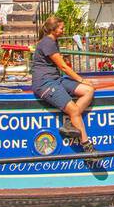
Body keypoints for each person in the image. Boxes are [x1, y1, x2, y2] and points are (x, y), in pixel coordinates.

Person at [31, 16, 95, 152]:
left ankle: (71, 123)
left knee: (88, 90)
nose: (63, 30)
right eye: (61, 28)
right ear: (53, 30)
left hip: (56, 79)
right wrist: (81, 79)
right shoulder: (47, 43)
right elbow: (63, 67)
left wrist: (84, 84)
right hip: (44, 83)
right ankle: (87, 147)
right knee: (74, 110)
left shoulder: (53, 42)